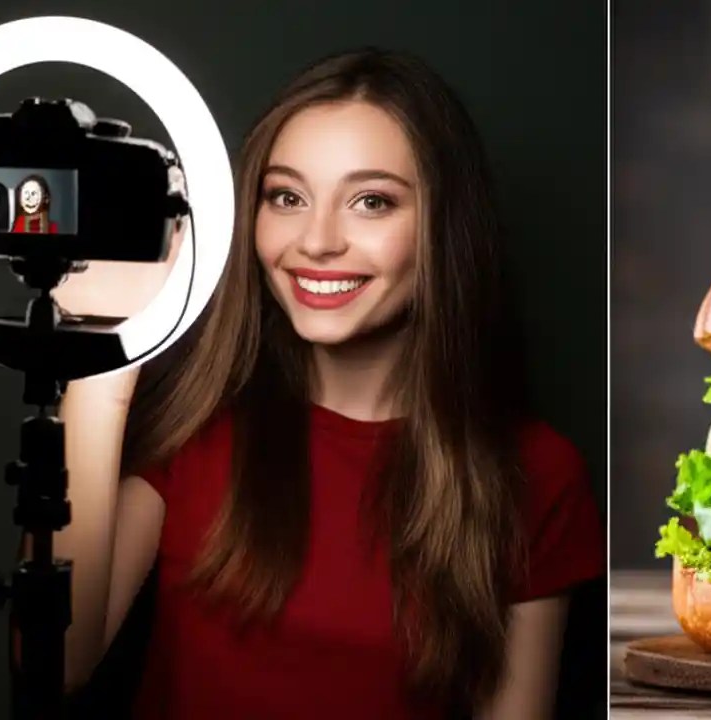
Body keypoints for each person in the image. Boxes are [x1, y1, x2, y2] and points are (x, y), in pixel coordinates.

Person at [48, 49, 604, 719]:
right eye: (287, 197)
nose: (317, 240)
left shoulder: (538, 473)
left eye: (371, 201)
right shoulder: (194, 423)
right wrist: (104, 355)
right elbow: (56, 662)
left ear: (443, 225)